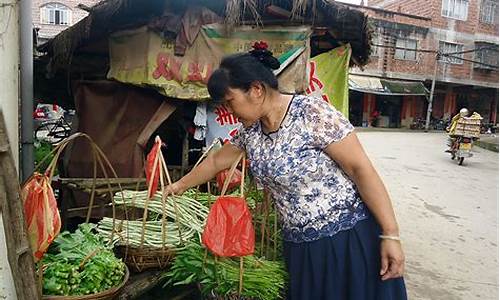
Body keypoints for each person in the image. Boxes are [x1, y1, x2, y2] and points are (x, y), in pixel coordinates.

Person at [168, 43, 407, 299]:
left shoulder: (311, 114)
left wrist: (390, 234)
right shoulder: (252, 132)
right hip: (300, 247)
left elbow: (361, 170)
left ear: (256, 90)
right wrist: (177, 187)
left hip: (345, 240)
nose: (228, 112)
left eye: (230, 101)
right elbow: (216, 162)